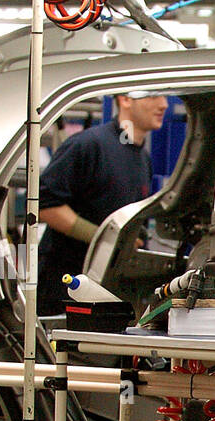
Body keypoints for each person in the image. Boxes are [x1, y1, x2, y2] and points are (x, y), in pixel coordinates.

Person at [36, 91, 168, 315]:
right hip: (67, 288)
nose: (163, 104)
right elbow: (44, 205)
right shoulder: (88, 145)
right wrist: (104, 239)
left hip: (110, 289)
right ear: (125, 99)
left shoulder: (142, 158)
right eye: (152, 96)